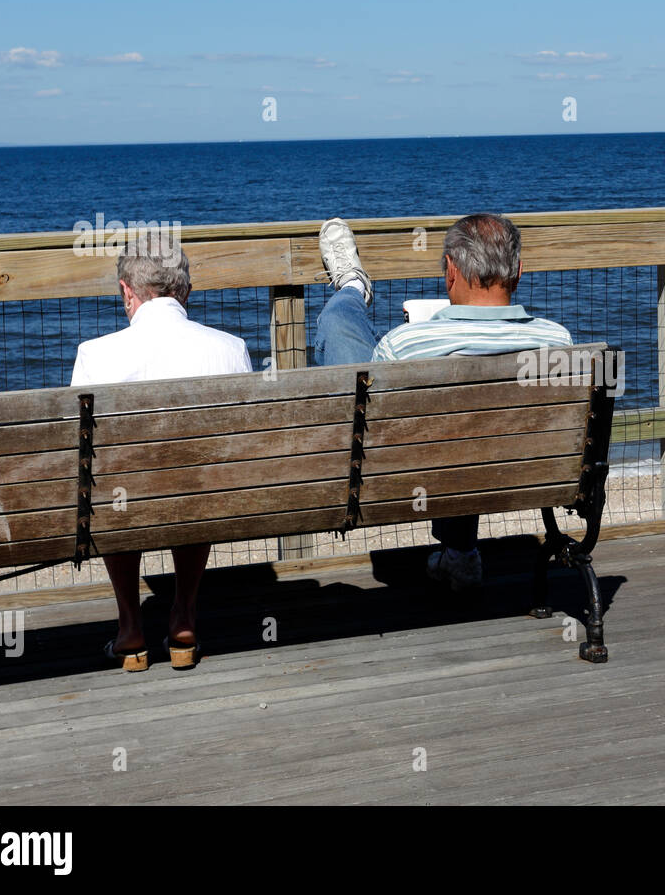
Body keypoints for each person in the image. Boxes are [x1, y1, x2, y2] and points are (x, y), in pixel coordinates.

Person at [313, 213, 572, 591]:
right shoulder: (560, 344)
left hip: (397, 480)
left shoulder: (404, 345)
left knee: (341, 330)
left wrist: (423, 334)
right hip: (509, 473)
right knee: (470, 431)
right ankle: (461, 553)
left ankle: (351, 287)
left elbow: (370, 433)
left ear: (451, 271)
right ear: (518, 271)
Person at [71, 230, 252, 671]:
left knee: (111, 481)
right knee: (199, 479)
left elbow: (79, 457)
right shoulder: (231, 350)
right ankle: (184, 617)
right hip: (200, 501)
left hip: (123, 505)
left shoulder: (94, 356)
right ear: (184, 290)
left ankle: (131, 627)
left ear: (127, 293)